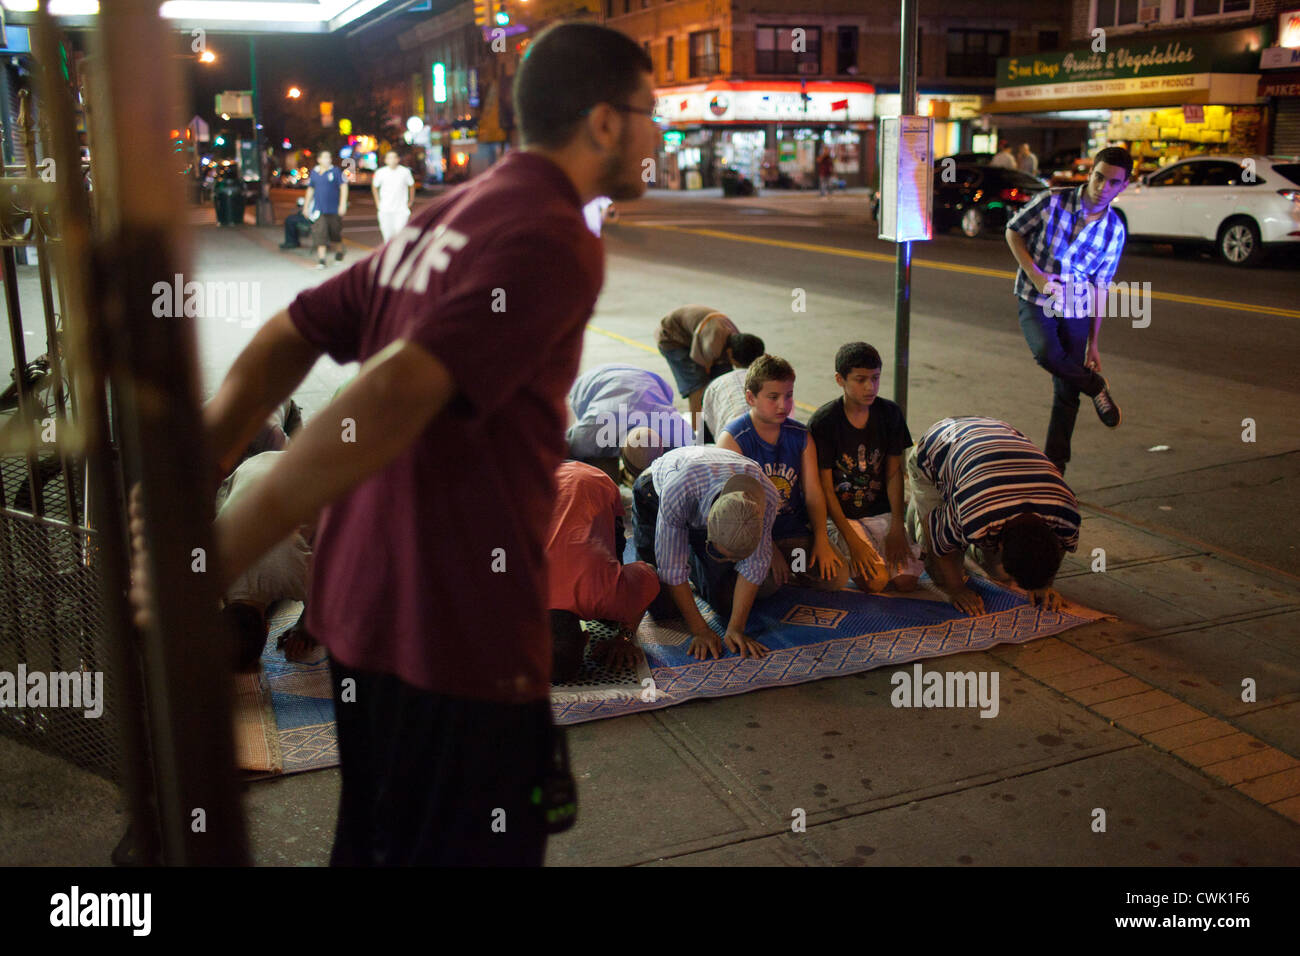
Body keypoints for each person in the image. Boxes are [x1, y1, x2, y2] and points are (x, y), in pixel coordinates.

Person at [167, 22, 658, 866]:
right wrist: (213, 550)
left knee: (373, 845)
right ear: (606, 122)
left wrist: (201, 463)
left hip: (364, 615)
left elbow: (295, 328)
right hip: (454, 638)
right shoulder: (552, 237)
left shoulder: (457, 210)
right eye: (651, 114)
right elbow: (392, 393)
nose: (658, 136)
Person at [1004, 145, 1130, 476]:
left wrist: (1094, 343)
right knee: (1047, 354)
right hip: (1035, 297)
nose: (1103, 188)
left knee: (1066, 390)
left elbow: (1100, 286)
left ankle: (1055, 467)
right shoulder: (1052, 201)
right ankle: (1095, 386)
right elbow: (1013, 230)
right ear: (1090, 173)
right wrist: (1035, 274)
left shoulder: (1114, 230)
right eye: (1099, 178)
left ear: (1124, 186)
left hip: (1076, 305)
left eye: (1113, 183)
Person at [906, 417, 1081, 617]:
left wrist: (1044, 585)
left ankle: (960, 532)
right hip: (937, 447)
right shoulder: (975, 511)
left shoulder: (1067, 513)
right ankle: (919, 509)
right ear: (1002, 545)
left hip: (990, 444)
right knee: (939, 572)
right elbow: (940, 545)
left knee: (1000, 573)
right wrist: (956, 590)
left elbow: (1059, 550)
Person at [631, 446, 777, 661]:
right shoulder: (678, 490)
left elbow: (755, 565)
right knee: (662, 606)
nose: (731, 563)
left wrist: (736, 628)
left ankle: (689, 552)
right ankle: (686, 547)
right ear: (708, 524)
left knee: (725, 601)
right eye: (724, 555)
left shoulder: (767, 498)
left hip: (710, 486)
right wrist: (700, 630)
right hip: (655, 491)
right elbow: (671, 570)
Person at [718, 355, 848, 595]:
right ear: (750, 397)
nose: (783, 405)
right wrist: (769, 550)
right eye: (773, 397)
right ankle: (776, 572)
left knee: (836, 576)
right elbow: (736, 511)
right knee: (764, 584)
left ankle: (790, 571)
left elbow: (812, 493)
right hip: (754, 537)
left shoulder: (800, 436)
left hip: (792, 534)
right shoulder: (733, 440)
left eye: (788, 395)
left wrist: (821, 539)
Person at [809, 342, 924, 594]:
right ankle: (845, 547)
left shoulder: (890, 413)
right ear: (840, 379)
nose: (870, 387)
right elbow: (825, 489)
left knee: (906, 581)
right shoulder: (824, 422)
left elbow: (894, 473)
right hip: (842, 517)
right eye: (860, 380)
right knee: (877, 581)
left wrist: (896, 524)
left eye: (875, 378)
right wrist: (852, 540)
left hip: (879, 511)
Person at [546, 461, 660, 683]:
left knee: (612, 609)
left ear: (587, 637)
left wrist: (625, 637)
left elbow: (650, 573)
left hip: (592, 482)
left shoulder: (605, 595)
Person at [216, 450, 315, 670]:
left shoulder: (293, 574)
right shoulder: (209, 574)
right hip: (251, 467)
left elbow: (328, 600)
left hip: (306, 468)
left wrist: (305, 627)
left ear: (268, 628)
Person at [565, 363, 693, 480]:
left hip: (646, 378)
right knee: (596, 466)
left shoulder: (678, 433)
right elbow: (565, 453)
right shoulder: (591, 433)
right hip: (592, 382)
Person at [655, 305, 744, 427]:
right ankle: (697, 431)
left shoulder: (738, 339)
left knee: (723, 379)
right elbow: (698, 359)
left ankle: (719, 423)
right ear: (730, 354)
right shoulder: (712, 344)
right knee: (698, 384)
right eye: (737, 364)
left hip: (698, 334)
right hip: (672, 338)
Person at [699, 332, 765, 443]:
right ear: (762, 356)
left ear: (730, 354)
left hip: (729, 447)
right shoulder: (776, 384)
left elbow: (704, 437)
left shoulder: (717, 384)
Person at [304, 149, 348, 269]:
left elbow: (343, 186)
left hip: (333, 209)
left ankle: (339, 252)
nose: (327, 160)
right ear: (319, 160)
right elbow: (310, 189)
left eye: (329, 157)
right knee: (320, 233)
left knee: (335, 234)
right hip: (319, 210)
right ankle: (322, 260)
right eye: (324, 157)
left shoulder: (336, 171)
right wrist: (306, 206)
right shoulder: (314, 172)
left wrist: (342, 204)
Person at [371, 150, 415, 243]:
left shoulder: (405, 171)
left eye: (394, 157)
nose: (392, 160)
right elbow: (374, 186)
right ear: (386, 160)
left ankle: (400, 255)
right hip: (385, 209)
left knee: (400, 234)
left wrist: (410, 201)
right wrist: (377, 202)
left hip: (401, 209)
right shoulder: (381, 172)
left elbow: (411, 185)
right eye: (389, 158)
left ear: (398, 159)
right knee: (388, 236)